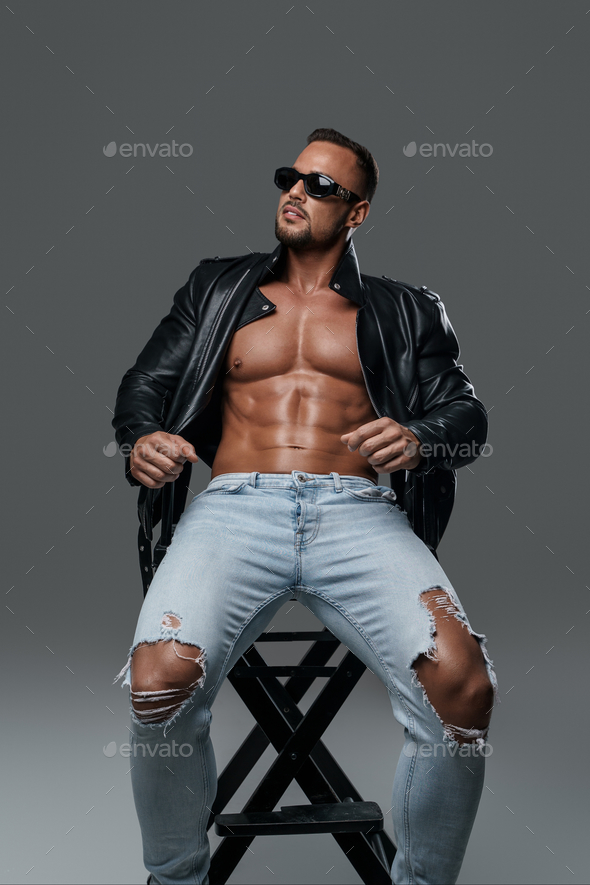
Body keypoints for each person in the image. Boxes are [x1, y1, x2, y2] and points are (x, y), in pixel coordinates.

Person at [112, 127, 497, 885]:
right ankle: (175, 880)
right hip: (233, 508)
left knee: (464, 687)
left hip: (357, 511)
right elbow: (145, 384)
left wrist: (421, 437)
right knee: (157, 684)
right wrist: (141, 436)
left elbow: (467, 415)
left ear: (355, 213)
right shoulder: (216, 287)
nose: (297, 190)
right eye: (292, 175)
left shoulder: (407, 307)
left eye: (323, 185)